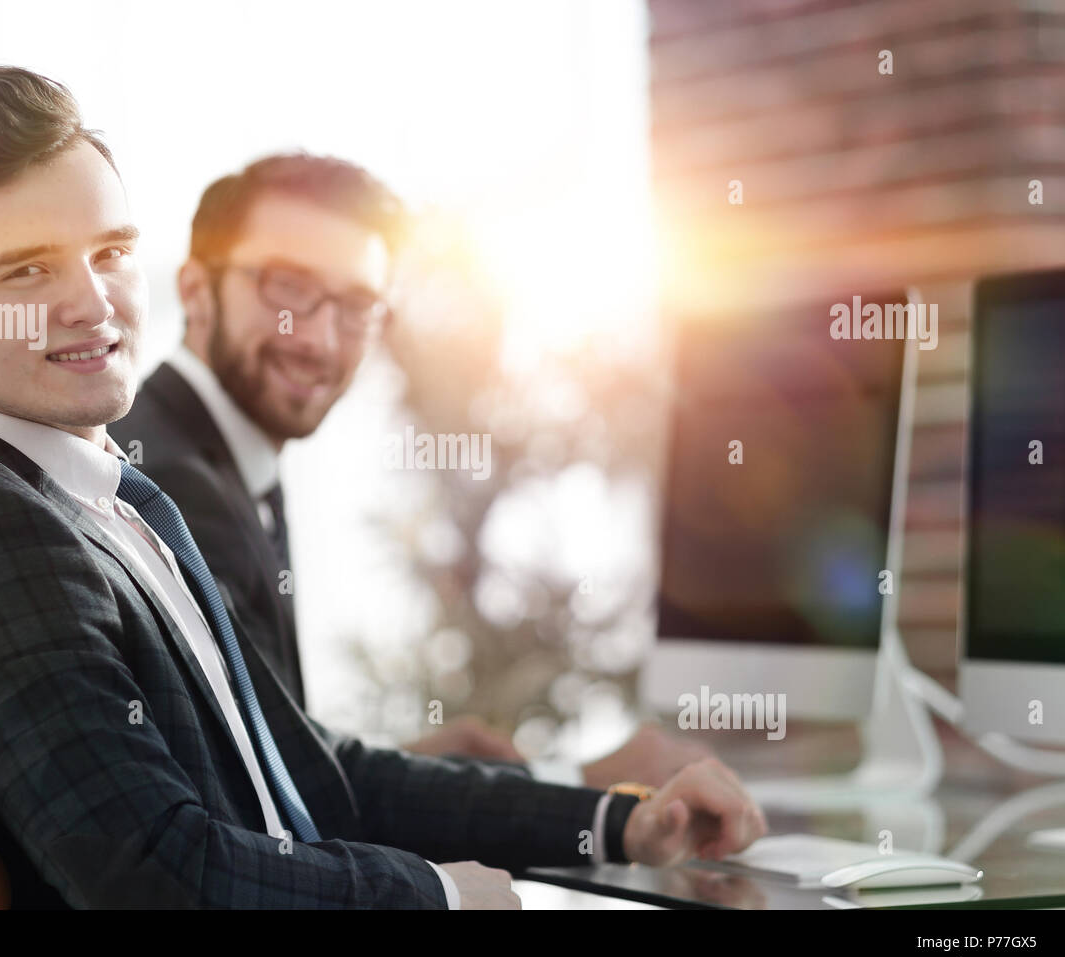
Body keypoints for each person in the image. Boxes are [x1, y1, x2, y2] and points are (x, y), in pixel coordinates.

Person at [0, 66, 766, 909]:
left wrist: (613, 821)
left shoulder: (103, 500)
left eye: (110, 252)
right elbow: (153, 878)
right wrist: (439, 899)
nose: (93, 303)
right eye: (27, 270)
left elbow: (311, 778)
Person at [110, 153, 712, 787]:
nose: (319, 339)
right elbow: (293, 803)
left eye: (357, 305)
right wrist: (582, 785)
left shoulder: (218, 459)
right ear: (195, 290)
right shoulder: (174, 486)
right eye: (286, 286)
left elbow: (277, 771)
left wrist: (420, 767)